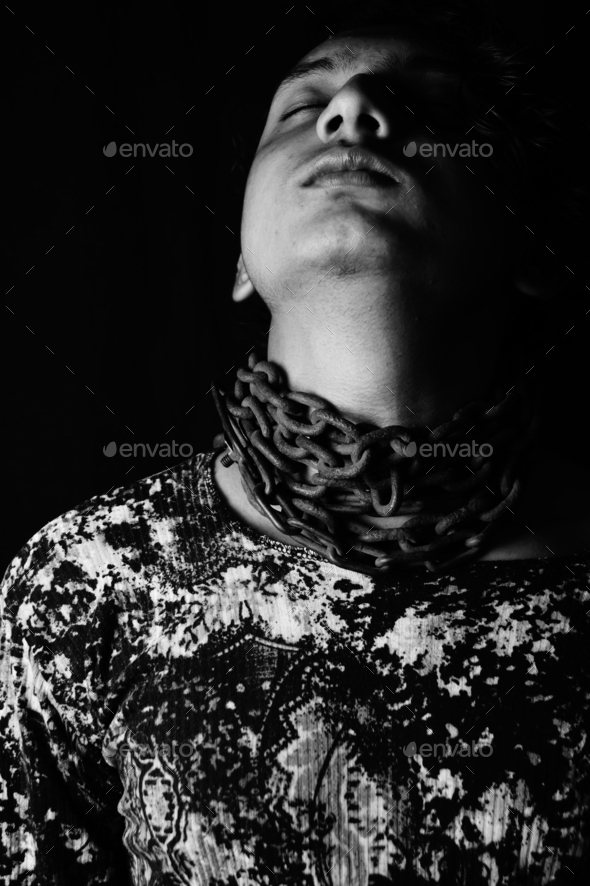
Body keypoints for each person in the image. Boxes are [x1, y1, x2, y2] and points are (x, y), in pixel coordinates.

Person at [1, 1, 589, 883]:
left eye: (428, 107)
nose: (353, 109)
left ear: (533, 245)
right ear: (241, 258)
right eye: (300, 108)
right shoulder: (79, 590)